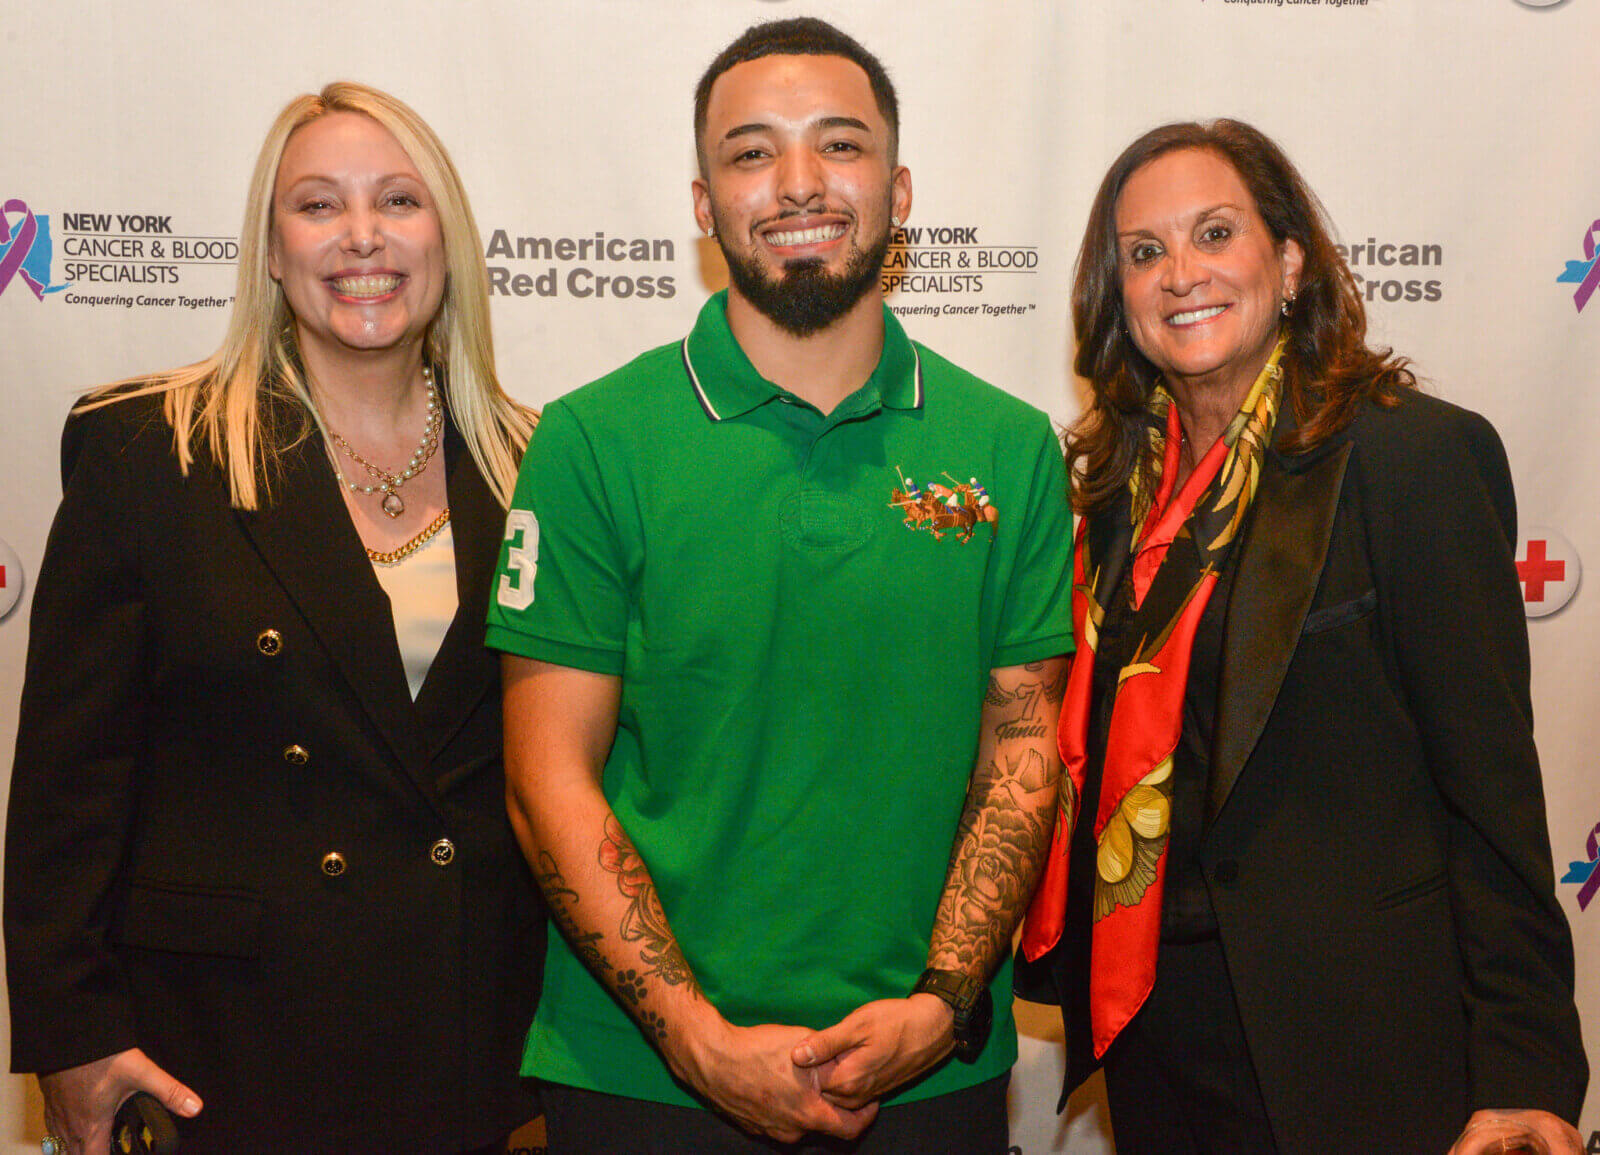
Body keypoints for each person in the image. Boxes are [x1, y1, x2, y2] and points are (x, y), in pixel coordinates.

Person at [486, 17, 1074, 1153]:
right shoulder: (592, 441)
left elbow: (1021, 749)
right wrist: (693, 1034)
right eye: (752, 153)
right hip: (641, 1079)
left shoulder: (1009, 448)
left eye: (838, 145)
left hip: (925, 1078)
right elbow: (544, 775)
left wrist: (942, 1005)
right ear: (705, 205)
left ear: (899, 190)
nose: (798, 182)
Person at [1016, 119, 1588, 1154]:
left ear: (1286, 262)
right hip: (1153, 1032)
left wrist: (1526, 1066)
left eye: (1214, 234)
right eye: (1143, 253)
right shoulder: (1111, 494)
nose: (1179, 273)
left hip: (1363, 1045)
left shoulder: (1408, 457)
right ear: (1117, 295)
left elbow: (1491, 792)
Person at [5, 82, 542, 1153]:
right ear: (270, 250)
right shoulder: (151, 450)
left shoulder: (535, 463)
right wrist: (71, 1035)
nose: (360, 238)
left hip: (473, 1042)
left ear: (448, 239)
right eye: (316, 205)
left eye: (398, 200)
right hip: (222, 1047)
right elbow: (69, 787)